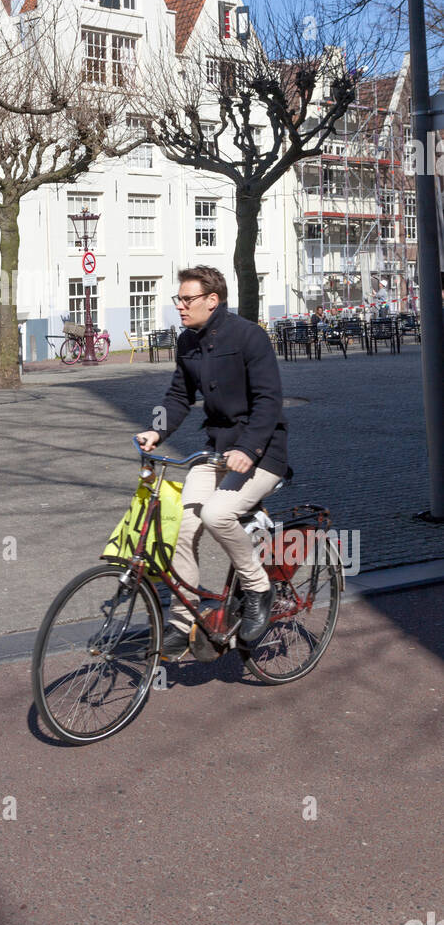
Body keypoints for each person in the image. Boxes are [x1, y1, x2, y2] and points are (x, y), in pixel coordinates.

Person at [136, 265, 288, 660]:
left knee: (218, 513)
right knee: (182, 528)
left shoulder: (248, 336)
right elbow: (177, 397)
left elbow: (269, 401)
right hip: (218, 451)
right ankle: (181, 622)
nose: (180, 307)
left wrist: (249, 448)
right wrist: (156, 431)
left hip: (262, 453)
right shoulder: (188, 341)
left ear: (212, 300)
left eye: (187, 300)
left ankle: (258, 587)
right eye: (178, 299)